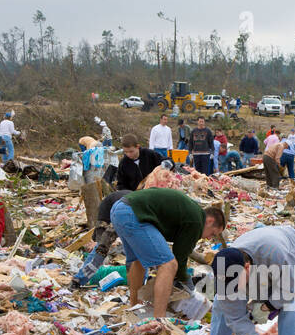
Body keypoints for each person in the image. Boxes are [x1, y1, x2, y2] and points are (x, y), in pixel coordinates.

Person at [110, 187, 225, 318]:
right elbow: (180, 257)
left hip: (120, 209)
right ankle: (159, 319)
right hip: (133, 213)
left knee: (138, 261)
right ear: (209, 221)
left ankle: (135, 307)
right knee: (169, 265)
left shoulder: (193, 213)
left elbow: (180, 252)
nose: (209, 238)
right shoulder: (197, 221)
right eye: (212, 233)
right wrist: (189, 287)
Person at [71, 189, 133, 287]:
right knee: (100, 248)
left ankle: (137, 281)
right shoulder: (116, 211)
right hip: (111, 208)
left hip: (125, 208)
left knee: (132, 248)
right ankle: (79, 278)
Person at [79, 135, 109, 226]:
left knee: (92, 170)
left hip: (91, 144)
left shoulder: (91, 144)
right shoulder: (89, 143)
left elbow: (91, 154)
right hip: (88, 143)